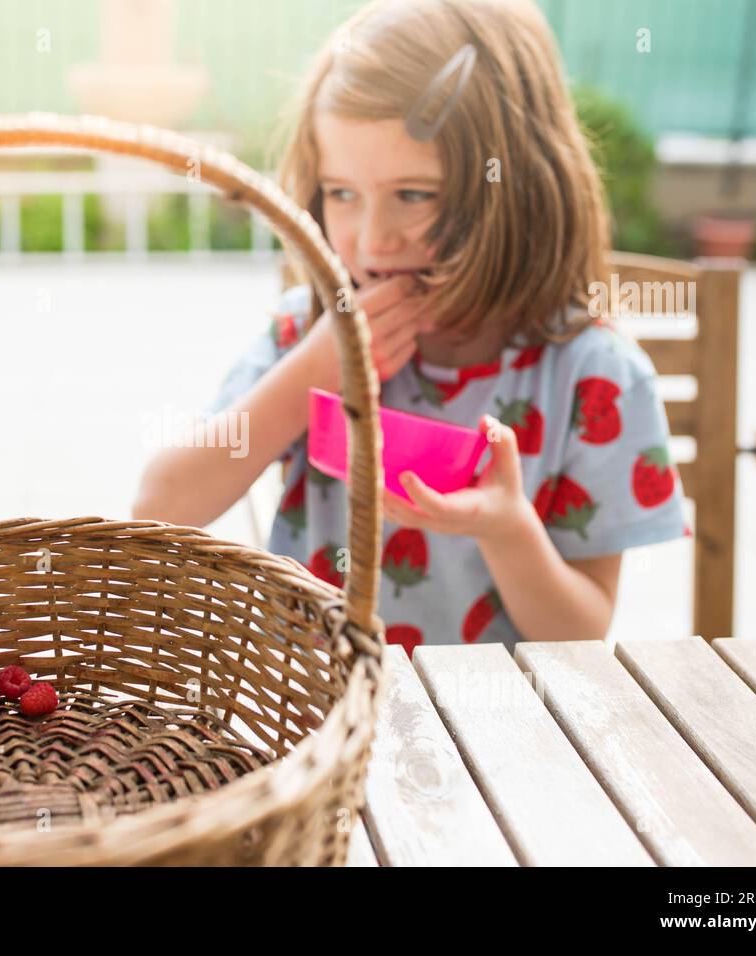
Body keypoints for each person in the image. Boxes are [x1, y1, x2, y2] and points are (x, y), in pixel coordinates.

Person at [132, 0, 689, 654]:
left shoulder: (592, 376)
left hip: (498, 733)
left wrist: (508, 530)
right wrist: (309, 378)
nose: (372, 240)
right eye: (342, 193)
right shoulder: (306, 335)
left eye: (415, 195)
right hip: (324, 717)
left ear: (518, 191)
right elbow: (161, 507)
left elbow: (580, 630)